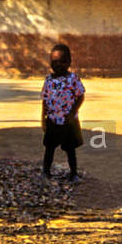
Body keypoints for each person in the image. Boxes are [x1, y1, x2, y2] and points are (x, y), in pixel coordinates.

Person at [41, 42, 85, 181]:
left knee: (70, 149)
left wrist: (73, 113)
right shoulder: (48, 80)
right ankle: (46, 172)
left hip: (68, 121)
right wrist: (43, 118)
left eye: (62, 62)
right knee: (49, 148)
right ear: (50, 63)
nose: (58, 65)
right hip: (53, 120)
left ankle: (73, 173)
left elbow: (80, 96)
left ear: (69, 62)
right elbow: (45, 100)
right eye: (54, 62)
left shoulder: (73, 79)